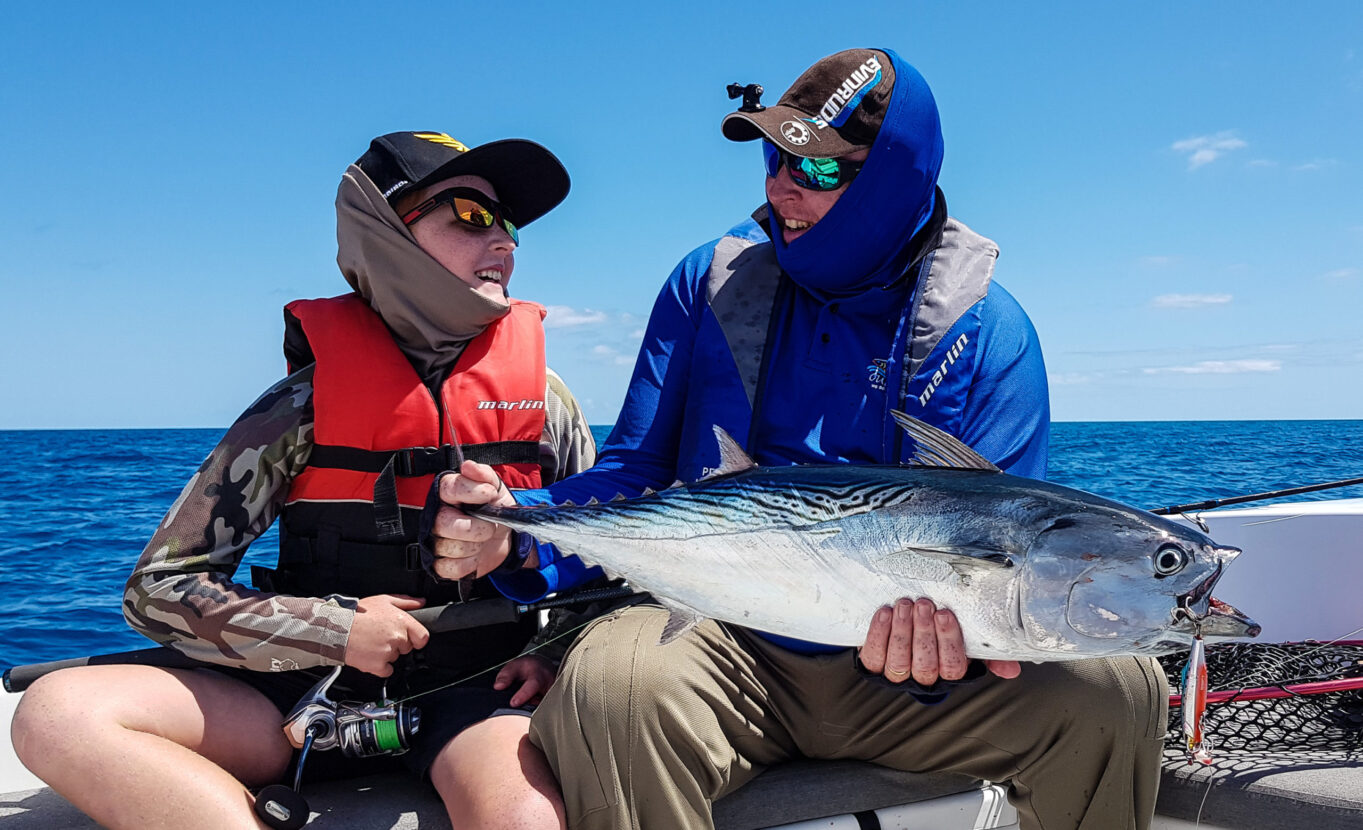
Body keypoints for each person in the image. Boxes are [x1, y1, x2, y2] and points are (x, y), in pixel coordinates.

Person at [427, 49, 1167, 830]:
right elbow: (637, 470)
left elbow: (1003, 544)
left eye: (816, 171)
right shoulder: (708, 282)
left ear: (892, 177)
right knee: (614, 683)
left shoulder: (986, 329)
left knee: (1118, 689)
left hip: (916, 687)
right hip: (725, 644)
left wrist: (952, 655)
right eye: (773, 158)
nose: (780, 186)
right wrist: (516, 534)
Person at [11, 131, 595, 830]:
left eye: (508, 224)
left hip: (473, 692)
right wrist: (332, 629)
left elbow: (600, 562)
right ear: (386, 232)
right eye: (471, 215)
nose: (503, 241)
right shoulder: (298, 406)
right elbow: (156, 591)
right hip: (293, 695)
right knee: (56, 715)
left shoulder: (547, 401)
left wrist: (555, 650)